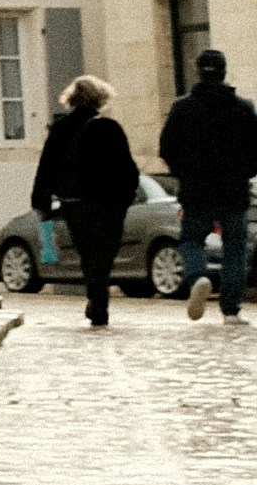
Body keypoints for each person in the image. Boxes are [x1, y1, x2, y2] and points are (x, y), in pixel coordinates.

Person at [32, 74, 143, 326]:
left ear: (71, 98)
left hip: (76, 202)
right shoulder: (110, 127)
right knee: (105, 252)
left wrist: (42, 203)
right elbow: (128, 169)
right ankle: (98, 299)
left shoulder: (60, 129)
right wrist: (126, 198)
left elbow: (46, 167)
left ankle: (97, 298)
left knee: (87, 251)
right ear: (100, 99)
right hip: (110, 203)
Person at [162, 45, 257, 325]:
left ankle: (198, 276)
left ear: (199, 72)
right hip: (233, 190)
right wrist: (244, 173)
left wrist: (183, 172)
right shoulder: (243, 108)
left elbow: (167, 147)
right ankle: (231, 309)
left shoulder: (182, 108)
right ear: (224, 72)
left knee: (191, 240)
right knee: (235, 248)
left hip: (196, 189)